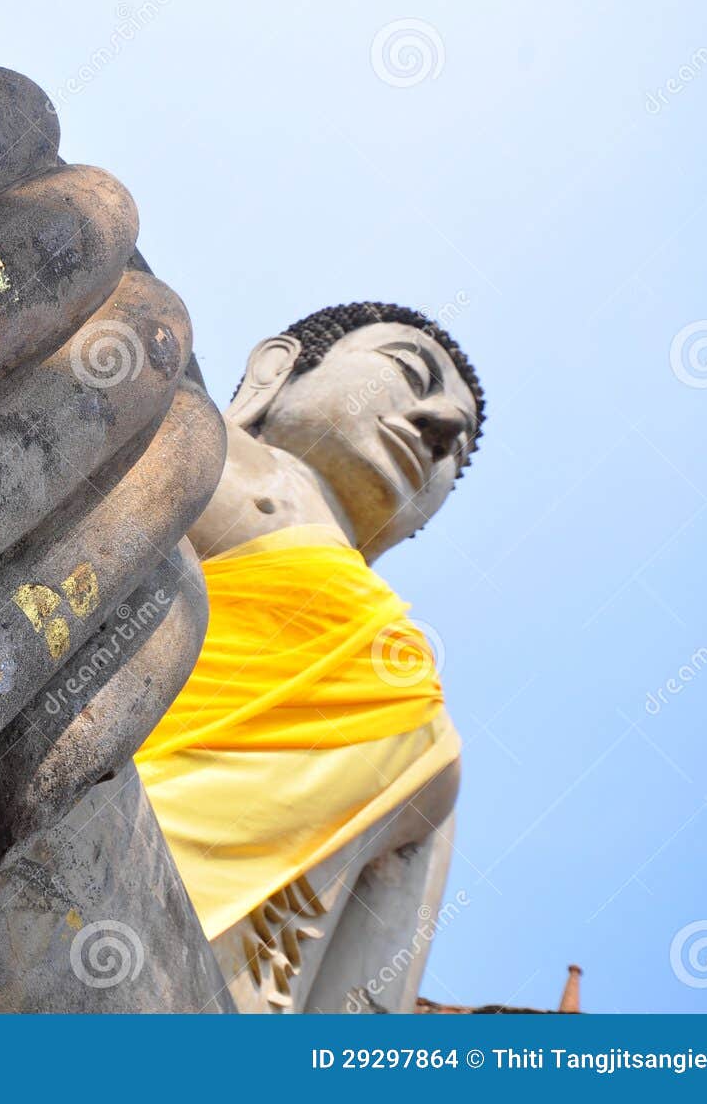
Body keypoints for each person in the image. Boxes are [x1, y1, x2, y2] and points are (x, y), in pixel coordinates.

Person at [135, 302, 483, 960]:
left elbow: (363, 985)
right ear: (277, 369)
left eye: (458, 447)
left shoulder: (422, 720)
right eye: (409, 371)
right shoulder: (177, 437)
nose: (440, 427)